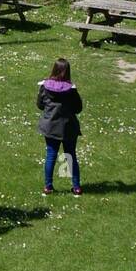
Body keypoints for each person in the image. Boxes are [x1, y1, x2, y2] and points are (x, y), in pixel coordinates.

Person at [37, 57, 83, 196]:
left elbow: (40, 105)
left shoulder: (44, 87)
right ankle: (76, 187)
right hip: (68, 127)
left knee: (51, 155)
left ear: (54, 69)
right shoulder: (71, 90)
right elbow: (78, 108)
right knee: (70, 155)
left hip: (50, 126)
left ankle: (48, 187)